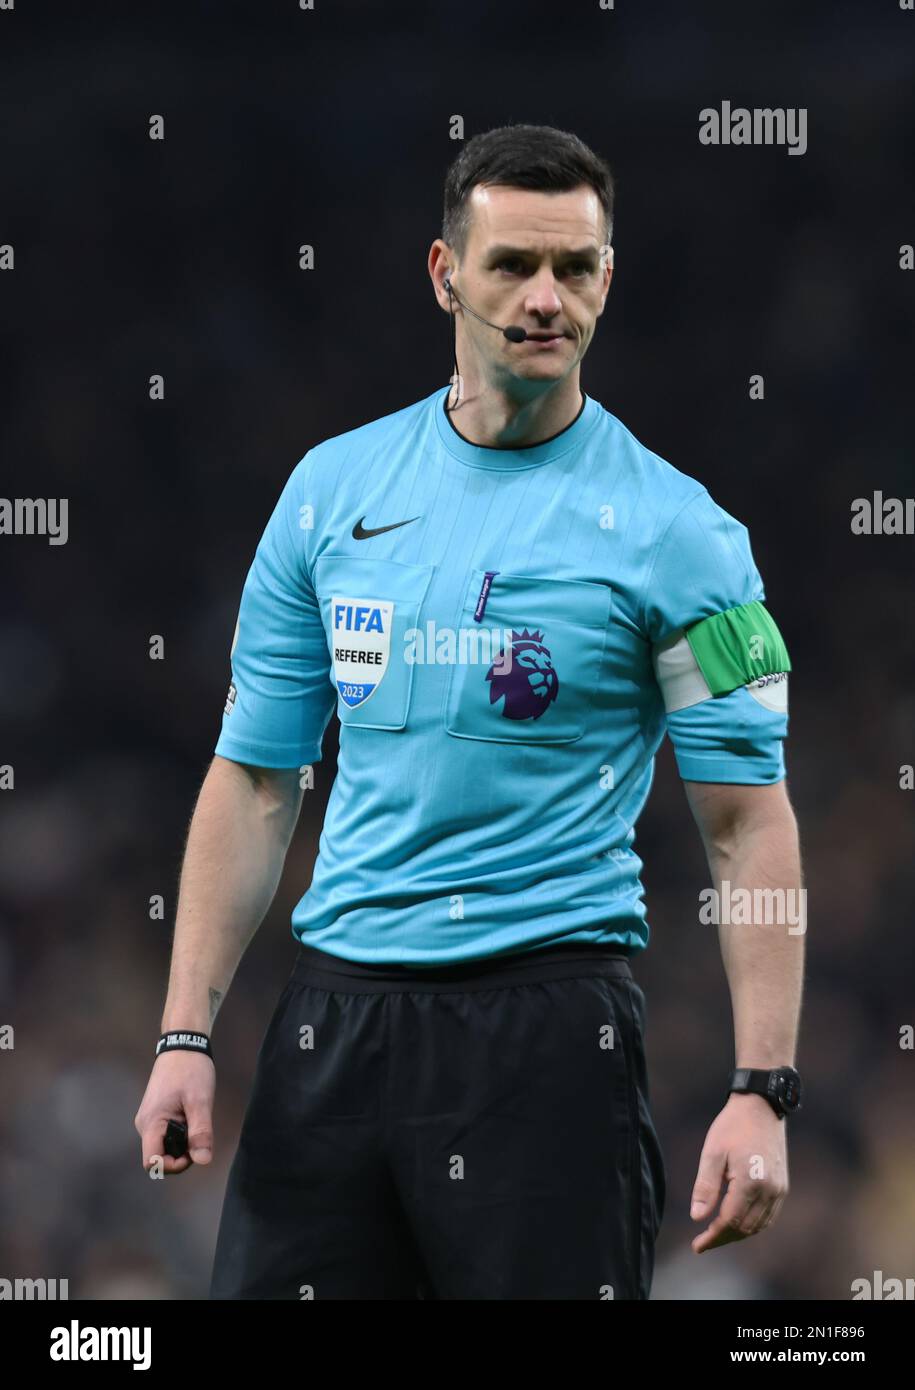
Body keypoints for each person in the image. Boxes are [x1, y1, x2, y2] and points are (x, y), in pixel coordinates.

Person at [134, 123, 805, 1300]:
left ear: (608, 276)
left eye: (576, 268)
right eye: (511, 267)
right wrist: (185, 1035)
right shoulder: (329, 494)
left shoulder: (686, 539)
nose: (546, 298)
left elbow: (749, 820)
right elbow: (253, 776)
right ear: (446, 273)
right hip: (333, 1023)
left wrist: (764, 1086)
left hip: (548, 1038)